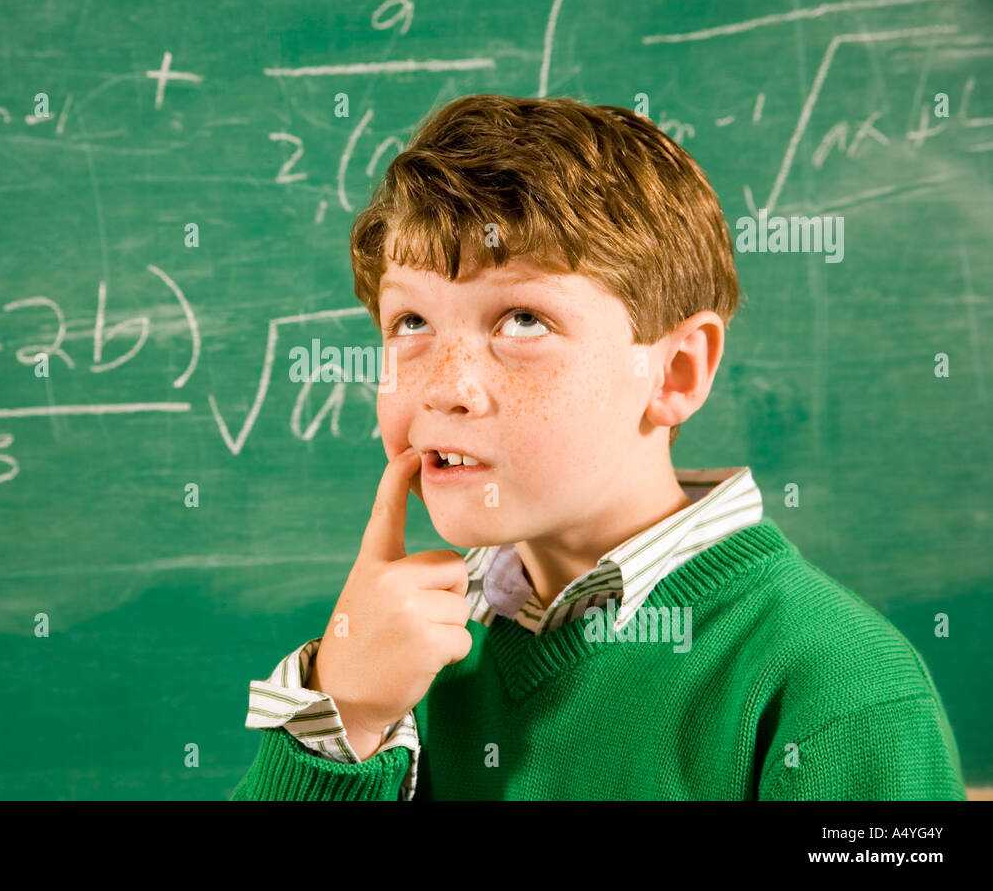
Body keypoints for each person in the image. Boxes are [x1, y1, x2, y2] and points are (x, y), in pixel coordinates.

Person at [230, 95, 966, 800]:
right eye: (412, 323)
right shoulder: (396, 661)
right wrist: (341, 719)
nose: (444, 388)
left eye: (522, 320)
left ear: (674, 372)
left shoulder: (839, 687)